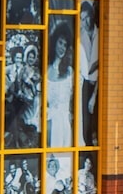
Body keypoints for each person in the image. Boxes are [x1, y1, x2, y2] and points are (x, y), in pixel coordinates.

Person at [46, 19, 76, 148]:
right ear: (54, 42)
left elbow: (75, 101)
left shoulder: (70, 72)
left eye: (65, 44)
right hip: (50, 125)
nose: (62, 47)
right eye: (60, 43)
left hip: (65, 125)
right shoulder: (46, 70)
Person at [77, 2, 99, 146]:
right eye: (82, 19)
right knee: (85, 122)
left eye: (87, 18)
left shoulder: (100, 33)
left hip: (97, 84)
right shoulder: (81, 34)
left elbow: (100, 66)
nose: (85, 22)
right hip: (85, 82)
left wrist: (94, 95)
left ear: (92, 16)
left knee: (96, 121)